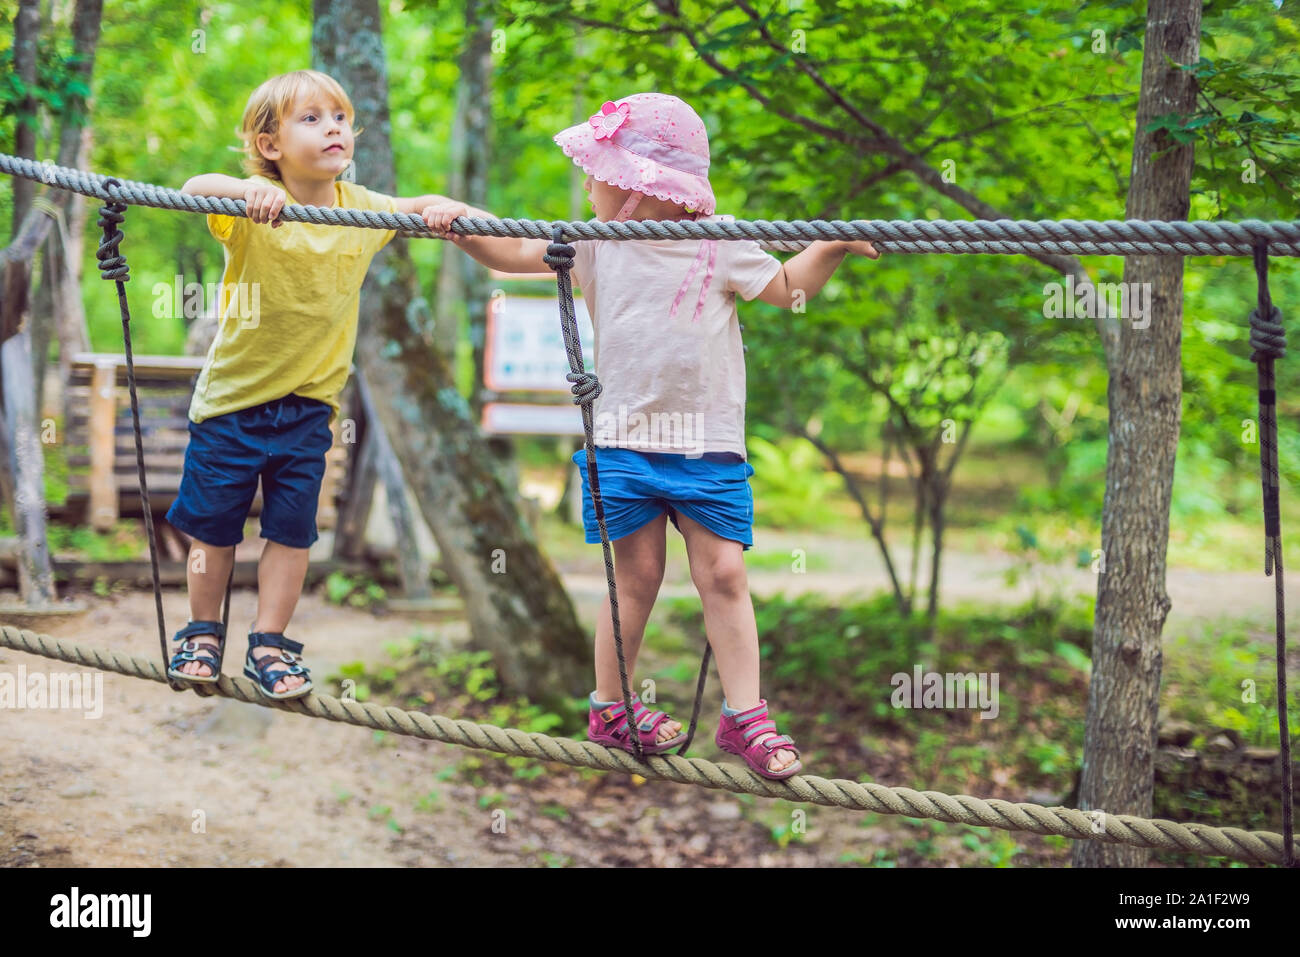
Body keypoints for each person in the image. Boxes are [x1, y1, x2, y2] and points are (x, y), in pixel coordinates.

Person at [425, 92, 879, 778]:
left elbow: (789, 290)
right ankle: (611, 706)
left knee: (723, 573)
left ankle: (745, 718)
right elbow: (511, 248)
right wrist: (456, 222)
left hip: (708, 446)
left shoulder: (722, 242)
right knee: (633, 577)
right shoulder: (597, 245)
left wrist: (832, 243)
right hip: (623, 444)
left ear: (639, 183)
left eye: (597, 169)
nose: (586, 181)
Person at [168, 69, 456, 699]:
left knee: (292, 533)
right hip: (231, 406)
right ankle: (200, 631)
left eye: (340, 117)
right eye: (311, 118)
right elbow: (192, 186)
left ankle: (270, 643)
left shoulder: (361, 210)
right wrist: (247, 189)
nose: (333, 127)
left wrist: (446, 210)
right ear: (270, 145)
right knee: (213, 532)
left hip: (308, 412)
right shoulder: (249, 207)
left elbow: (414, 208)